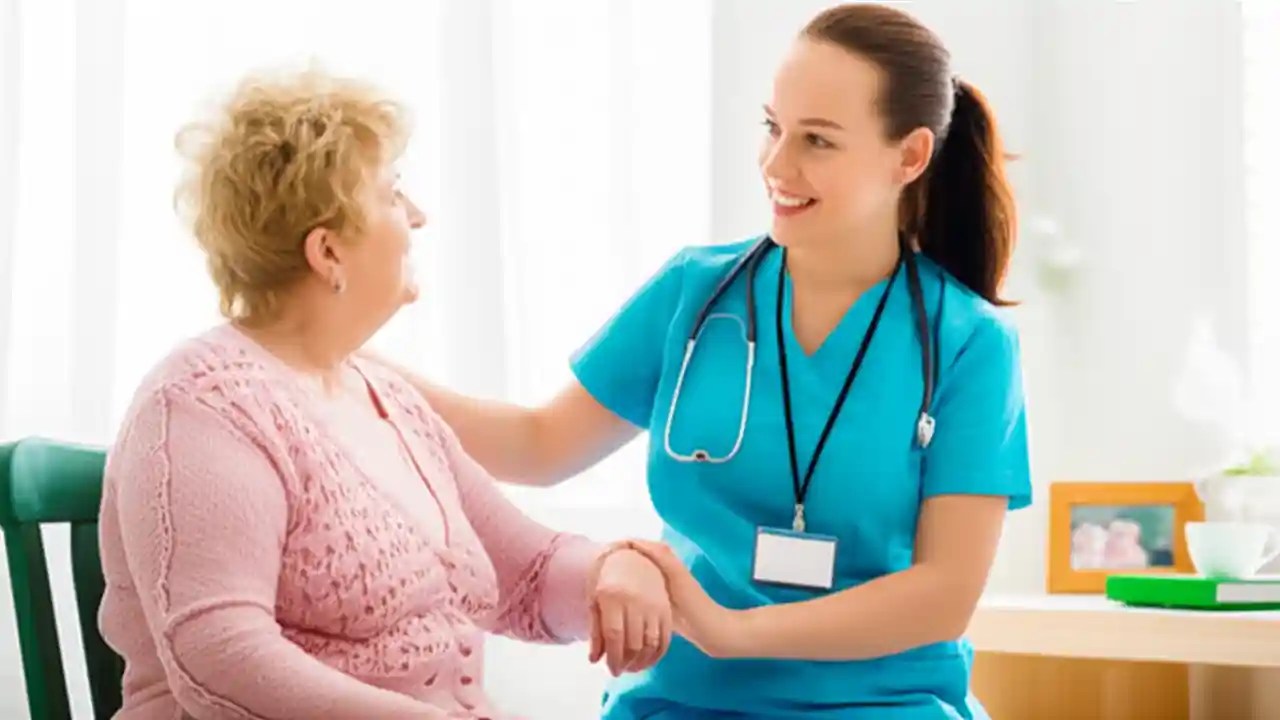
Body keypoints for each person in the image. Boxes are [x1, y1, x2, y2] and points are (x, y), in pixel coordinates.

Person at [383, 3, 1031, 719]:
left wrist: (733, 632)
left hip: (884, 703)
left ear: (908, 157)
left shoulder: (968, 344)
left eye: (817, 141)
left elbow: (942, 596)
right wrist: (347, 363)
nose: (777, 166)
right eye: (772, 127)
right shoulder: (695, 294)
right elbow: (538, 444)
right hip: (681, 700)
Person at [97, 66, 671, 720]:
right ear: (327, 251)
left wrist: (613, 571)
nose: (419, 217)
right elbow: (221, 657)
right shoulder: (200, 408)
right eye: (394, 194)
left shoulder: (388, 399)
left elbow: (530, 573)